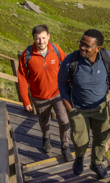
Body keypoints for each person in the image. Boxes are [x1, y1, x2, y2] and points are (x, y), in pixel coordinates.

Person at [58, 29, 110, 179]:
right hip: (78, 109)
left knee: (101, 137)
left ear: (98, 49)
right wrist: (69, 108)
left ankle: (96, 162)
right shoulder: (71, 60)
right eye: (81, 43)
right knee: (81, 141)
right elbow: (61, 84)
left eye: (87, 46)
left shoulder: (107, 58)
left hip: (100, 107)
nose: (82, 48)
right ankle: (79, 158)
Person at [17, 25, 73, 160]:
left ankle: (65, 147)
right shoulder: (27, 55)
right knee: (44, 121)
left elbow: (67, 67)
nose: (41, 41)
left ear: (48, 36)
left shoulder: (56, 50)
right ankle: (46, 137)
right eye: (37, 39)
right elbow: (22, 77)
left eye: (43, 38)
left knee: (64, 120)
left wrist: (70, 89)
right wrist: (26, 100)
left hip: (58, 93)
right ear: (34, 39)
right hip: (39, 97)